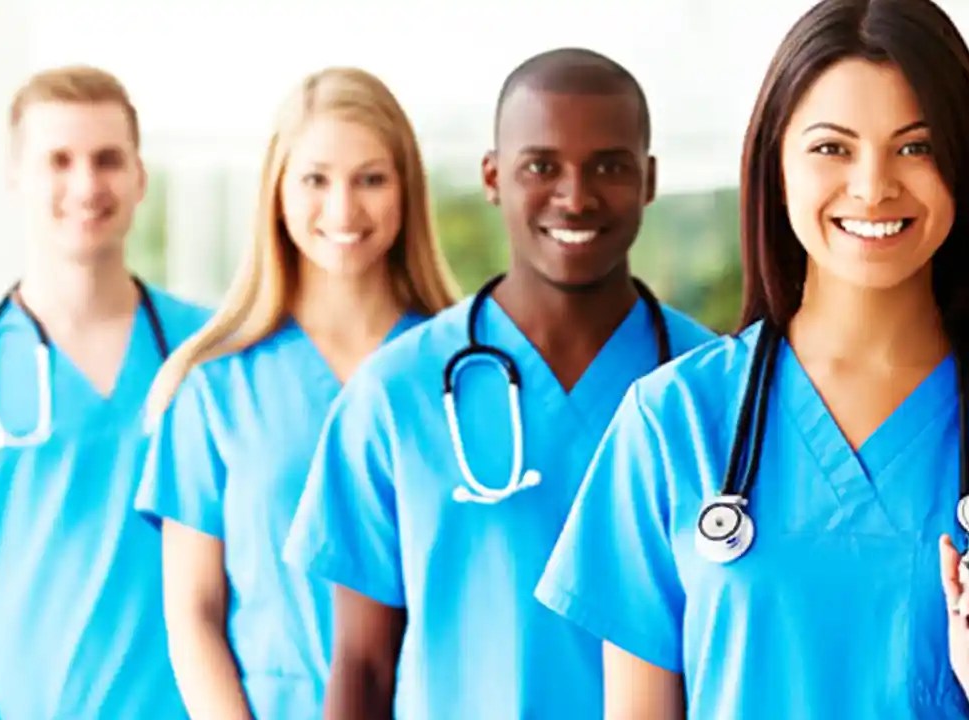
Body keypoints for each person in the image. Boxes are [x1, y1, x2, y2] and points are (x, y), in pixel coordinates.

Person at [533, 1, 969, 718]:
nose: (874, 185)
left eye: (916, 147)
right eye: (832, 147)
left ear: (964, 169)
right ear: (776, 164)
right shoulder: (673, 423)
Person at [282, 48, 716, 718]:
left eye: (610, 166)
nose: (575, 195)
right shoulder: (395, 394)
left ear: (650, 179)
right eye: (541, 166)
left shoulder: (713, 390)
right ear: (492, 176)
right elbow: (363, 668)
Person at [134, 67, 458, 720]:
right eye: (315, 179)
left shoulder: (461, 373)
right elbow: (193, 616)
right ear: (277, 191)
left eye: (371, 178)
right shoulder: (214, 390)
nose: (343, 210)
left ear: (407, 190)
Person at [0, 65, 209, 718]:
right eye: (59, 161)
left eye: (107, 160)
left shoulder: (207, 355)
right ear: (16, 177)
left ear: (139, 178)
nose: (86, 186)